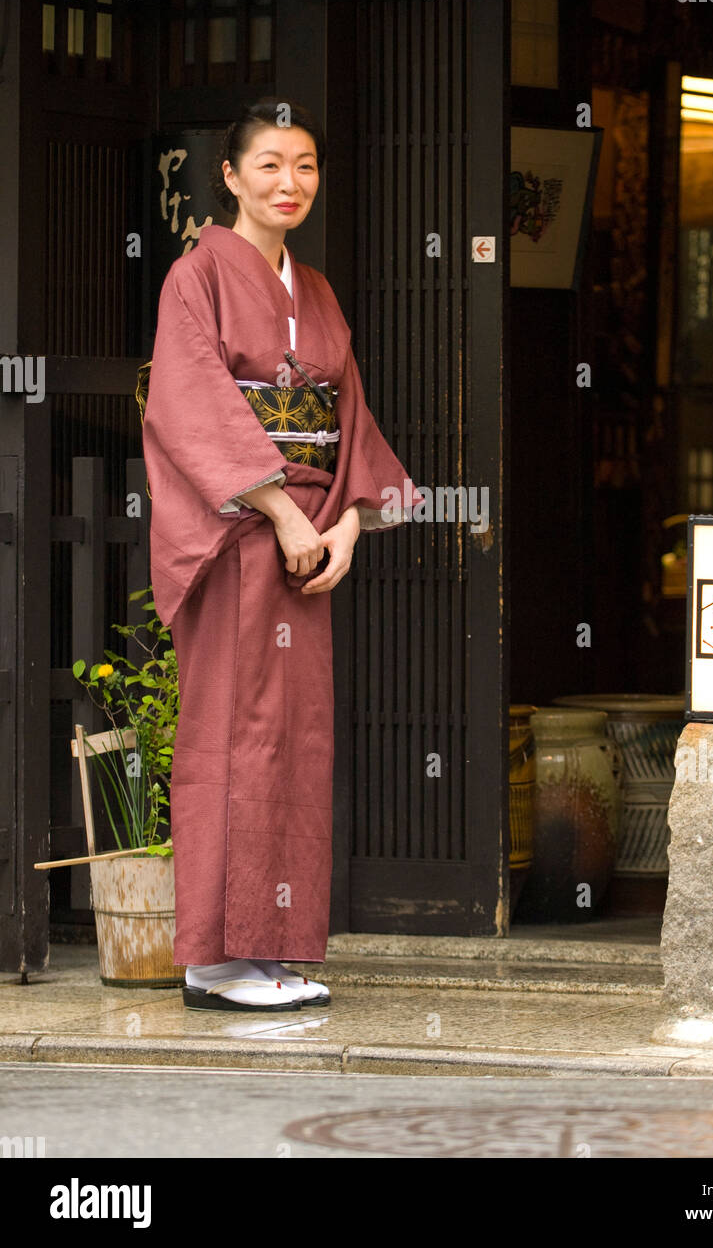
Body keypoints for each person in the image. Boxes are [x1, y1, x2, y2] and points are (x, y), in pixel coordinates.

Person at [142, 98, 422, 1012]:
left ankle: (272, 946)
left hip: (308, 541)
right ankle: (215, 959)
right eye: (268, 165)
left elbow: (350, 423)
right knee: (234, 731)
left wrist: (343, 523)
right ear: (229, 177)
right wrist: (278, 511)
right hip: (237, 540)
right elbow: (190, 407)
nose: (288, 183)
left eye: (304, 165)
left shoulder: (321, 291)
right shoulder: (195, 276)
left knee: (295, 741)